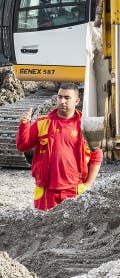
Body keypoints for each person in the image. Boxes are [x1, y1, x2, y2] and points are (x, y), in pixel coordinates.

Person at [16, 83, 103, 211]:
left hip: (74, 190)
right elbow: (23, 146)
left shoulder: (85, 126)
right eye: (59, 97)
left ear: (77, 101)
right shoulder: (43, 123)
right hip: (46, 192)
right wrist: (24, 125)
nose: (62, 101)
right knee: (44, 228)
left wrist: (89, 184)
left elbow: (97, 154)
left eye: (67, 98)